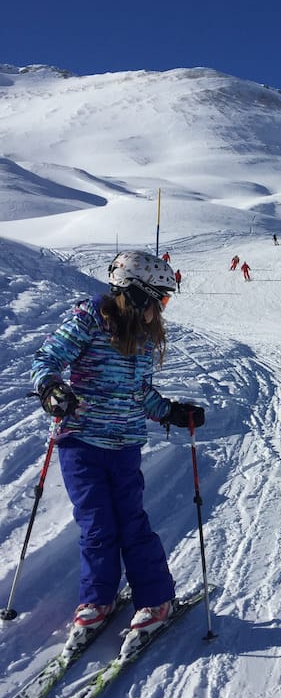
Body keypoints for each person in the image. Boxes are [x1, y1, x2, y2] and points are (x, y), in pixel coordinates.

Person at [30, 250, 206, 653]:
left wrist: (172, 413)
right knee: (96, 524)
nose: (162, 309)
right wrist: (52, 389)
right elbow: (46, 359)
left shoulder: (143, 339)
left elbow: (139, 393)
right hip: (80, 441)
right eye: (161, 299)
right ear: (138, 293)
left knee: (131, 521)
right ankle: (98, 598)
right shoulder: (89, 319)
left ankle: (156, 599)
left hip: (125, 443)